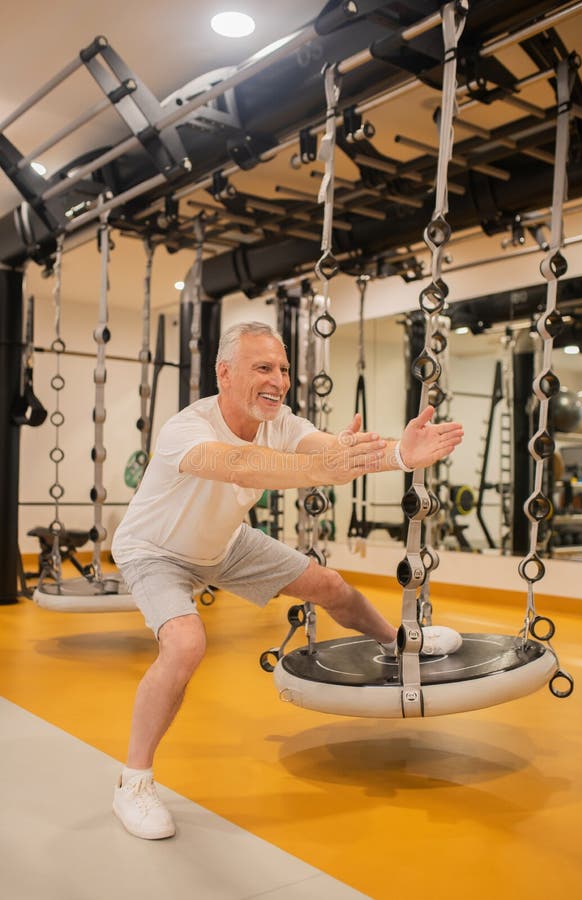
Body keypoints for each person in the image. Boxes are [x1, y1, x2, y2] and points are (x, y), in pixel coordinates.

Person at [111, 321, 464, 840]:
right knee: (185, 644)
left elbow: (330, 448)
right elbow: (241, 465)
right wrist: (324, 470)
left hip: (224, 543)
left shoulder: (282, 421)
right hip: (155, 550)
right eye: (263, 368)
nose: (277, 379)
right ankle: (134, 781)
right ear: (224, 373)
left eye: (281, 369)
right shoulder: (187, 428)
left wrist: (398, 456)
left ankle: (395, 642)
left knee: (330, 586)